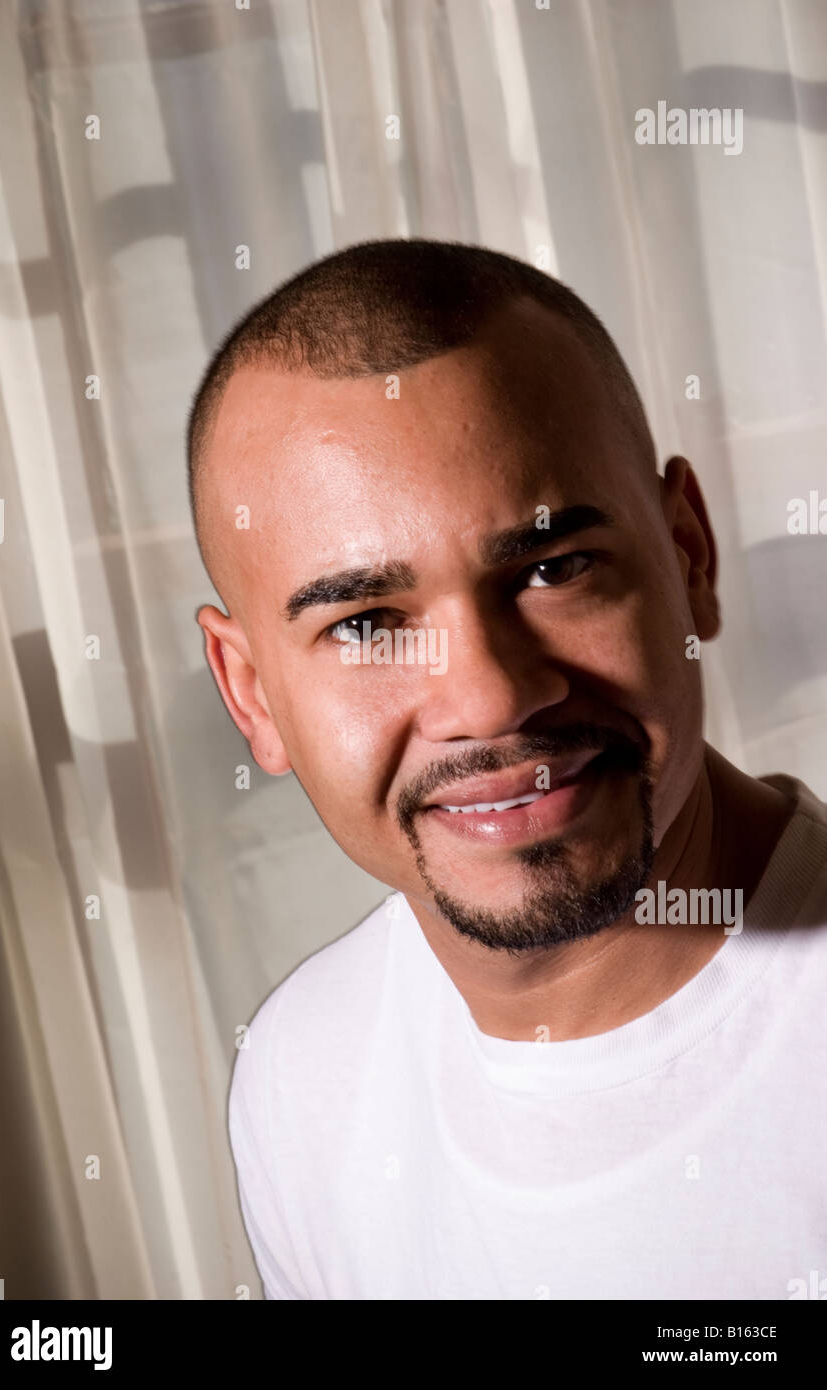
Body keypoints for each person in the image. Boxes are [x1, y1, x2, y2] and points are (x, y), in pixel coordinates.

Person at [187, 238, 827, 1300]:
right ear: (251, 693)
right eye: (366, 624)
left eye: (551, 569)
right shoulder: (299, 1075)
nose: (486, 697)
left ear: (688, 557)